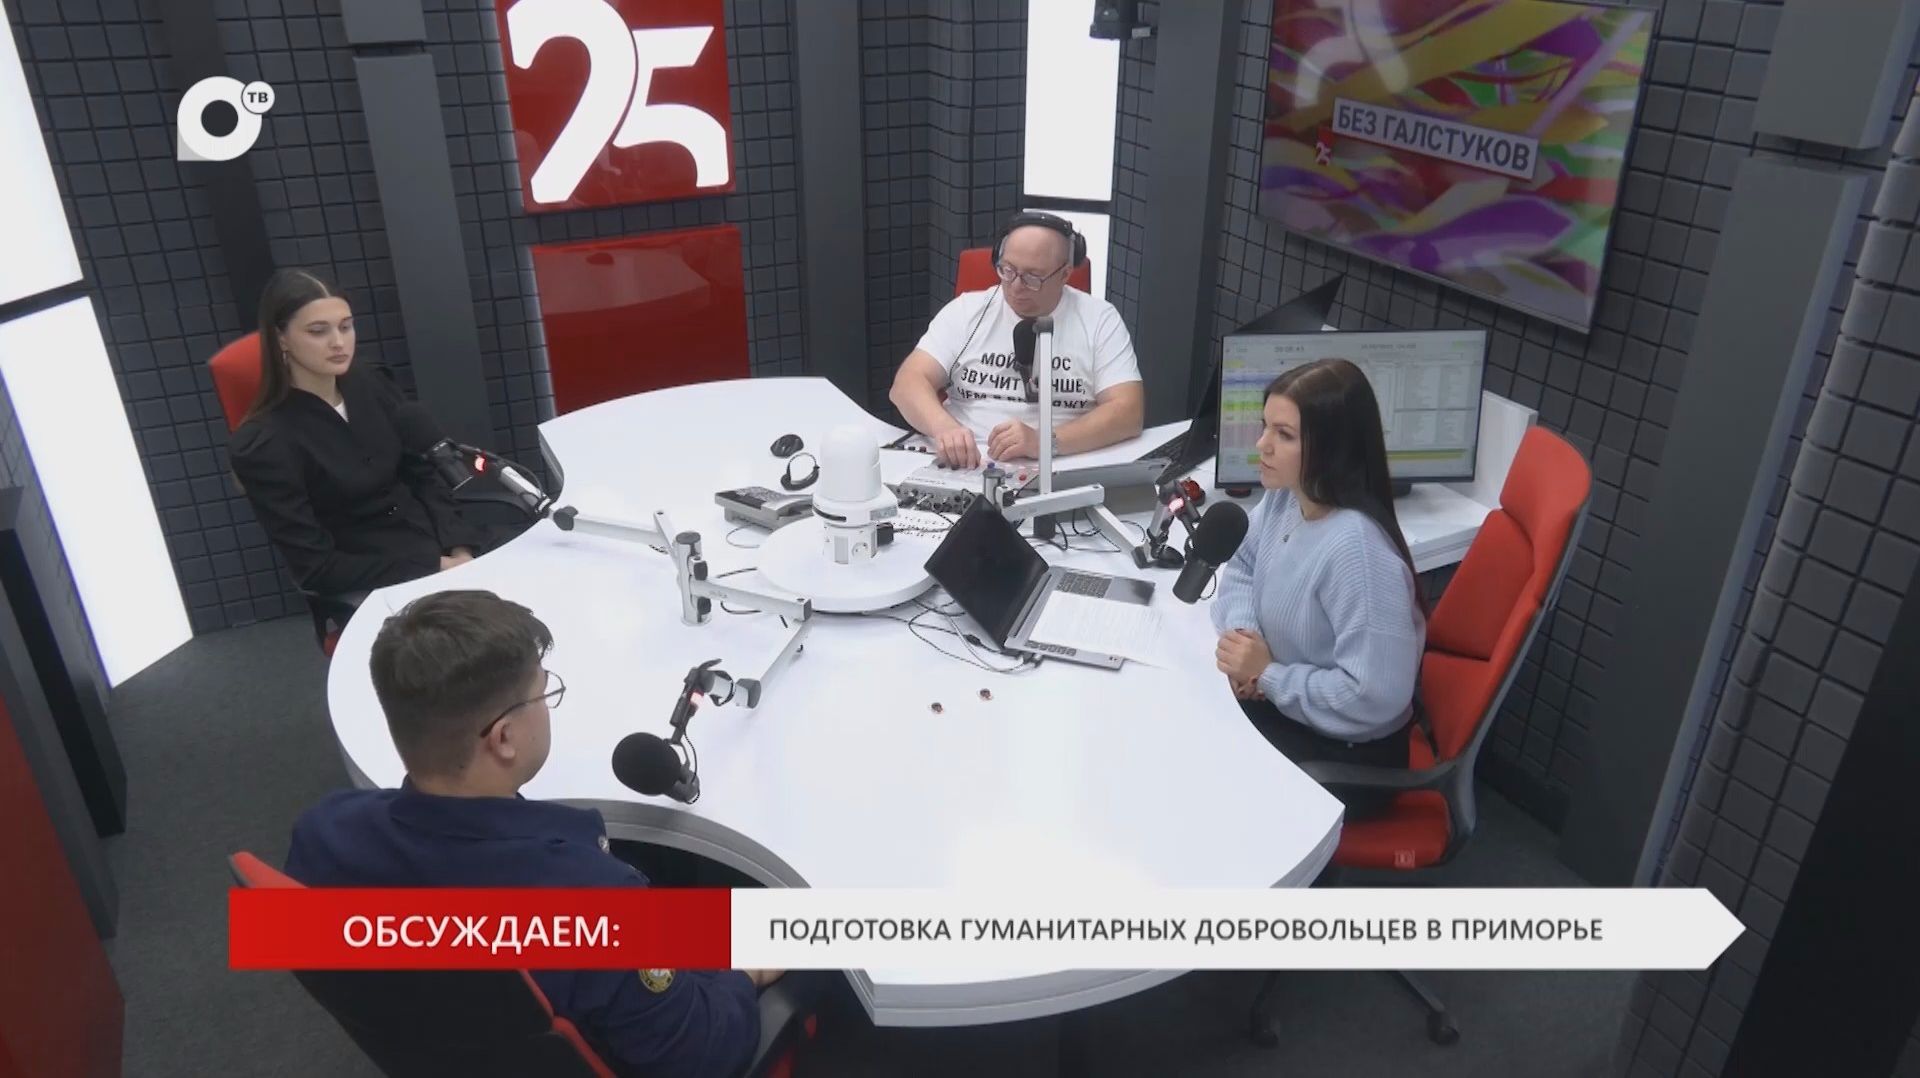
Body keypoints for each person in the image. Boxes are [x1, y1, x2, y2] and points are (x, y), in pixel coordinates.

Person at [284, 590, 782, 1077]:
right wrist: (746, 972)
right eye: (544, 693)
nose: (547, 705)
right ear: (504, 738)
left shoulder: (323, 834)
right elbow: (701, 1056)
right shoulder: (593, 901)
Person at [1209, 359, 1425, 817]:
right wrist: (1246, 642)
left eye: (1284, 435)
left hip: (1347, 755)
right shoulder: (1286, 497)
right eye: (1265, 427)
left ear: (1331, 448)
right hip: (1289, 707)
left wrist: (1269, 676)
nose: (1262, 445)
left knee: (1201, 772)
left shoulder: (1357, 552)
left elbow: (1373, 695)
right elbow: (1241, 567)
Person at [229, 267, 492, 597]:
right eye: (318, 331)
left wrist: (460, 548)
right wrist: (434, 566)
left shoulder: (371, 383)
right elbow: (315, 568)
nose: (338, 343)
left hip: (437, 544)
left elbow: (423, 474)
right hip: (377, 575)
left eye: (346, 326)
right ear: (281, 338)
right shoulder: (267, 443)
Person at [889, 212, 1145, 468]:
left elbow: (1129, 411)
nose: (1015, 286)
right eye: (1007, 270)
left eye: (1032, 277)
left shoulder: (1099, 319)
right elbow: (907, 383)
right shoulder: (966, 311)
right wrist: (945, 429)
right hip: (968, 461)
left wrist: (1043, 442)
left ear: (1065, 274)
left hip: (1060, 462)